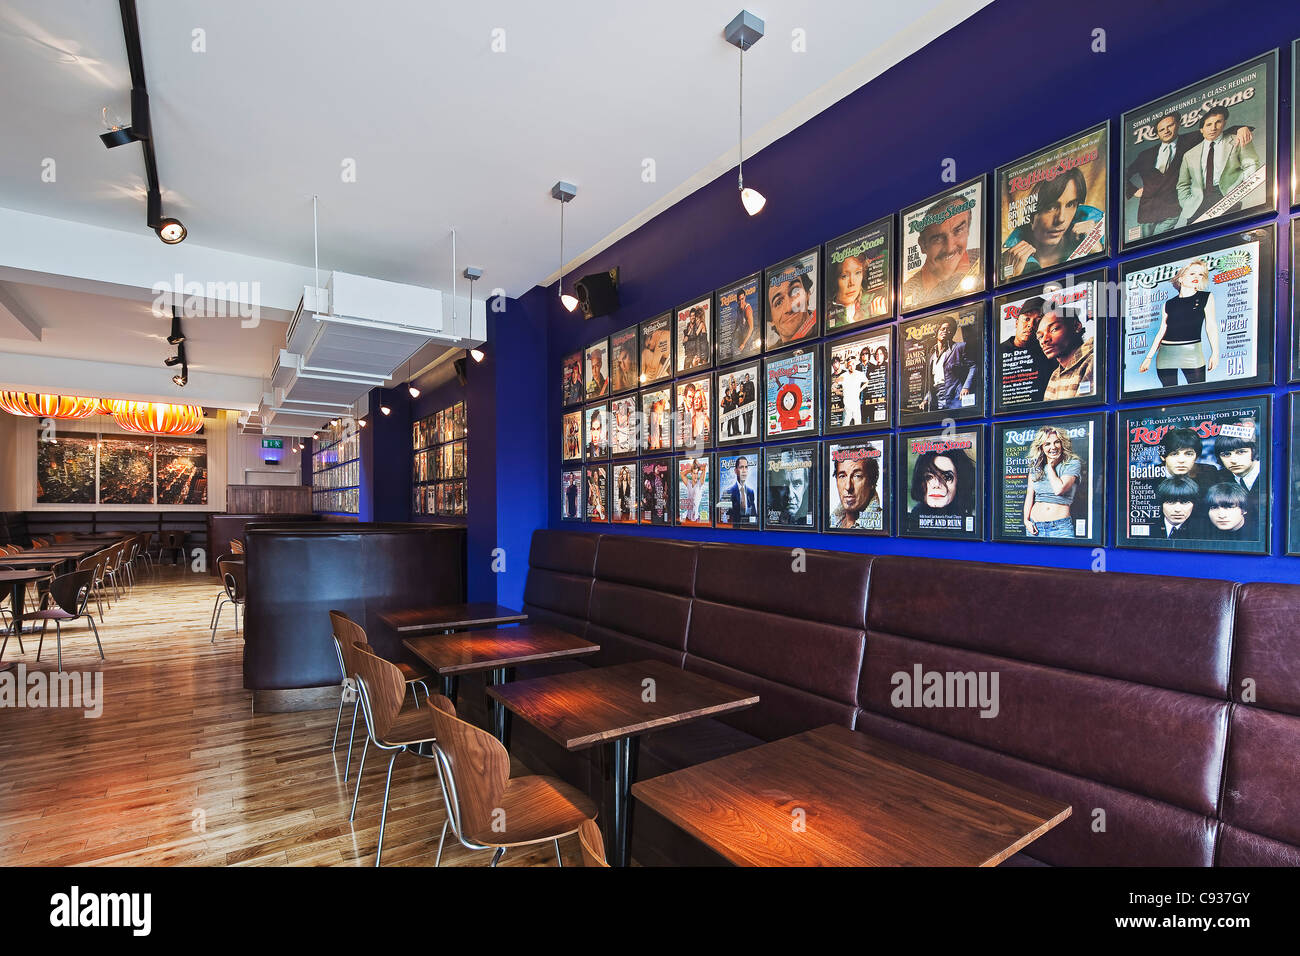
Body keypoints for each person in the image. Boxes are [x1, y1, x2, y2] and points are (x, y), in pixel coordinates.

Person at [1124, 111, 1254, 239]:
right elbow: (1124, 174)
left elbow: (1215, 132)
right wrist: (1133, 190)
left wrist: (1241, 128)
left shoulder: (1191, 139)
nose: (1166, 131)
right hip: (1148, 210)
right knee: (1144, 247)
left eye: (1170, 125)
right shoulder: (1145, 154)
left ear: (1178, 125)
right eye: (1162, 129)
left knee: (1158, 244)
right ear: (1157, 133)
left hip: (1172, 209)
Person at [1002, 169, 1105, 280]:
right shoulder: (1007, 261)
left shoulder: (1098, 239)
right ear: (1030, 214)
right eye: (1050, 207)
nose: (1061, 219)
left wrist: (1098, 252)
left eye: (1070, 204)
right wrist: (1011, 279)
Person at [1176, 107, 1260, 227]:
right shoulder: (1189, 155)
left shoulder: (1237, 140)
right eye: (1208, 124)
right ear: (1201, 129)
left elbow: (1251, 164)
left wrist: (1239, 191)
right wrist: (1187, 203)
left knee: (1229, 235)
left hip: (1226, 195)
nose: (1213, 128)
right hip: (1198, 202)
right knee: (1199, 242)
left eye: (1218, 122)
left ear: (1224, 123)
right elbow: (1182, 184)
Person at [1138, 260, 1217, 387]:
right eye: (1192, 274)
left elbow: (1211, 326)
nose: (1196, 277)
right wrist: (1148, 358)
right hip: (1165, 354)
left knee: (1197, 396)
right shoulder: (1168, 304)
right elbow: (1161, 332)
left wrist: (1215, 353)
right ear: (1181, 278)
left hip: (1192, 352)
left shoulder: (1206, 297)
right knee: (1169, 397)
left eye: (1200, 274)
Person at [901, 195, 982, 309]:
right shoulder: (906, 292)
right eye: (937, 239)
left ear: (968, 229)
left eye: (958, 231)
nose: (949, 248)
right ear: (923, 245)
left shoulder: (987, 260)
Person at [1022, 426, 1082, 538]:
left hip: (1060, 528)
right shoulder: (1036, 466)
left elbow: (1059, 489)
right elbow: (1030, 494)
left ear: (1062, 444)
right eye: (1047, 444)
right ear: (1041, 447)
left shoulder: (1072, 463)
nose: (1053, 447)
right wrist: (1026, 521)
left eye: (1057, 442)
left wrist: (1050, 467)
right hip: (1034, 527)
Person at [998, 297, 1055, 402]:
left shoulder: (1049, 353)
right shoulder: (997, 352)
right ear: (1016, 322)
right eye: (1027, 319)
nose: (1030, 325)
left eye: (1038, 321)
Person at [1037, 305, 1096, 402]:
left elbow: (1083, 414)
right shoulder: (1055, 375)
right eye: (1040, 336)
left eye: (1054, 329)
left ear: (1076, 326)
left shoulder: (1093, 362)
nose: (1044, 340)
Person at [921, 317, 977, 411]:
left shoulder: (959, 347)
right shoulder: (932, 355)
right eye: (943, 329)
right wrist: (926, 399)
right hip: (937, 396)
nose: (946, 331)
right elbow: (932, 382)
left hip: (954, 395)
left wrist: (966, 387)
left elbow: (973, 366)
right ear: (937, 332)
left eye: (949, 330)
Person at [1213, 426, 1260, 537]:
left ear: (1254, 451)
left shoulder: (1272, 473)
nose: (1233, 460)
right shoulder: (1218, 478)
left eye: (1241, 452)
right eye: (1226, 454)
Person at [909, 448, 976, 517]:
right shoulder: (910, 521)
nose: (937, 484)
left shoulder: (971, 523)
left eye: (947, 477)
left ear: (960, 482)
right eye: (929, 477)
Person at [766, 266, 818, 347]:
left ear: (807, 294)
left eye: (795, 291)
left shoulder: (828, 320)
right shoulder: (771, 354)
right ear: (771, 319)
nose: (789, 307)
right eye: (779, 302)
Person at [827, 252, 879, 330]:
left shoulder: (874, 302)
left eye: (858, 273)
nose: (852, 283)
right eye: (844, 276)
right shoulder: (825, 317)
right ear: (834, 280)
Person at [830, 451, 881, 530]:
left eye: (857, 476)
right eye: (842, 476)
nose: (848, 487)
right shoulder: (830, 521)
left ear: (872, 481)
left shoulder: (883, 523)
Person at [833, 351, 868, 427]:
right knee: (845, 425)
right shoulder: (844, 376)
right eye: (849, 365)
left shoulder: (860, 374)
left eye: (853, 364)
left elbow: (866, 382)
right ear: (847, 366)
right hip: (847, 405)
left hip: (856, 404)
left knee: (858, 424)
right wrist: (840, 393)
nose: (851, 366)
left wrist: (860, 390)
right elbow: (833, 386)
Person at [726, 455, 757, 524]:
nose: (744, 471)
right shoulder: (728, 492)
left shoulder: (750, 491)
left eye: (746, 467)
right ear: (735, 471)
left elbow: (754, 514)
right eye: (741, 467)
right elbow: (724, 517)